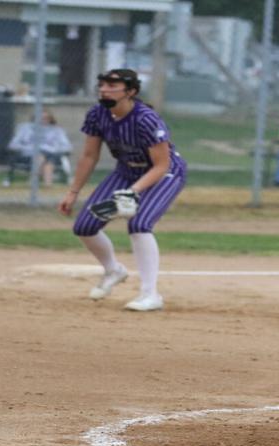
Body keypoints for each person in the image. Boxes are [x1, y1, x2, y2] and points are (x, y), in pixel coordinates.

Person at [58, 68, 187, 312]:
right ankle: (113, 270)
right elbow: (89, 155)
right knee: (84, 227)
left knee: (139, 223)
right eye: (103, 85)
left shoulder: (145, 119)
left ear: (131, 92)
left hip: (165, 173)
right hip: (126, 171)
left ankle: (150, 295)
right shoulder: (98, 114)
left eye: (112, 85)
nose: (104, 89)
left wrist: (133, 191)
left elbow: (162, 164)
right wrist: (73, 191)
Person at [8, 109, 73, 185]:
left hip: (51, 154)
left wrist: (54, 149)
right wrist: (28, 148)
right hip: (28, 155)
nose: (42, 120)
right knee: (47, 161)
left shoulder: (57, 130)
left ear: (50, 119)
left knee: (45, 157)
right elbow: (13, 145)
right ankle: (47, 185)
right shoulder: (25, 128)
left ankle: (34, 181)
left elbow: (67, 146)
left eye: (45, 118)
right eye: (40, 118)